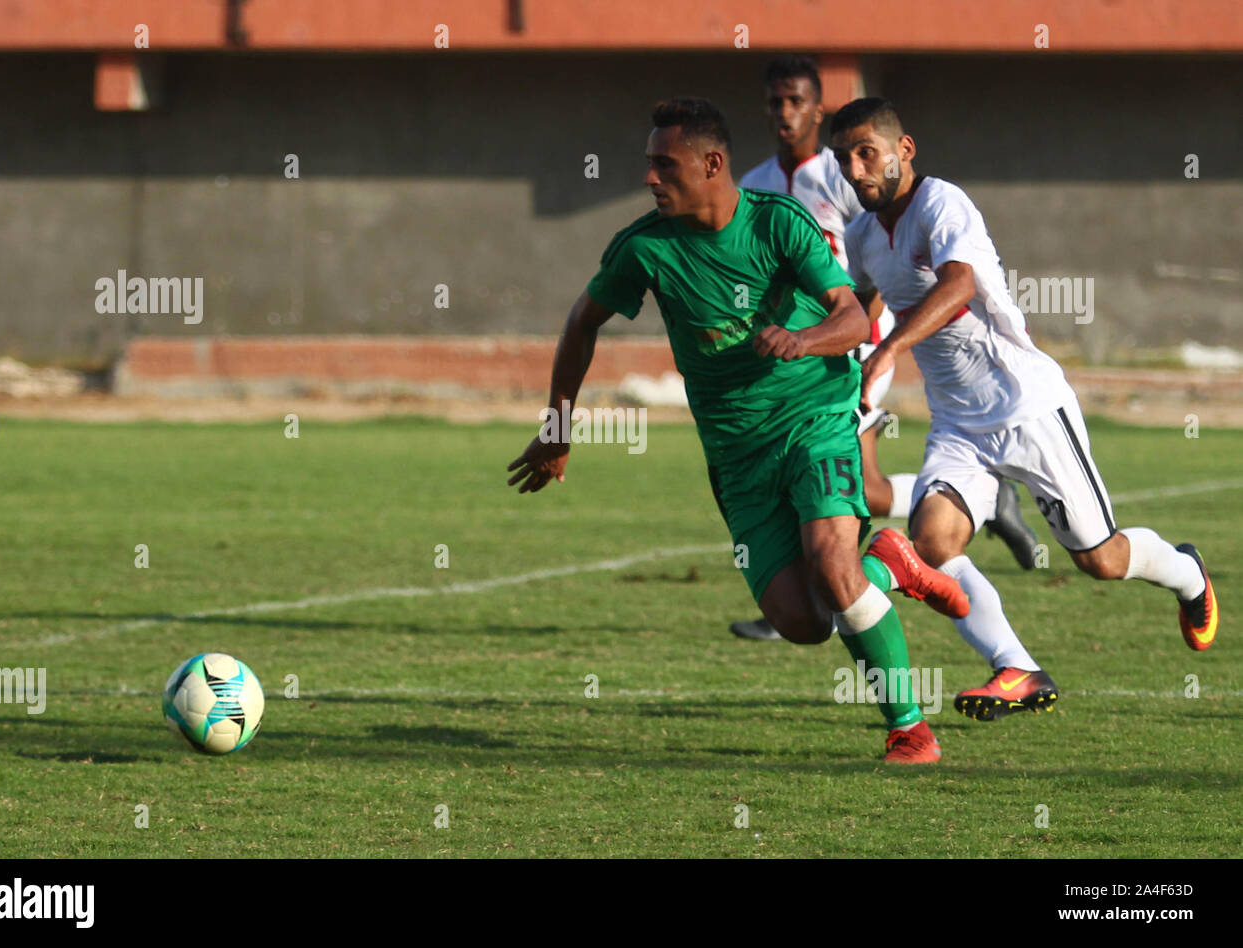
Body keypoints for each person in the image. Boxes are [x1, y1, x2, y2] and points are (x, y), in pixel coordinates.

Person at [508, 97, 970, 761]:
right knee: (805, 623)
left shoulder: (778, 224)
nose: (650, 179)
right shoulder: (644, 250)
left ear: (712, 164)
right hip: (736, 457)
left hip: (815, 419)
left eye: (665, 165)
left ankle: (909, 728)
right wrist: (557, 426)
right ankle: (889, 562)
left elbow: (851, 318)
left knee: (834, 568)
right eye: (649, 165)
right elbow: (584, 321)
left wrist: (803, 339)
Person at [828, 97, 1218, 720]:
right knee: (930, 542)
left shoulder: (942, 203)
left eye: (866, 153)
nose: (855, 170)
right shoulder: (862, 234)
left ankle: (1187, 575)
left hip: (1025, 407)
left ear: (904, 150)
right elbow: (857, 306)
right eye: (844, 158)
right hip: (957, 423)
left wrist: (890, 349)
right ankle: (1017, 669)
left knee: (1101, 560)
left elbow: (959, 284)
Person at [730, 55, 1036, 643]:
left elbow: (875, 256)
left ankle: (821, 596)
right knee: (863, 487)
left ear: (817, 110)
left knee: (819, 473)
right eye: (775, 102)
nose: (785, 113)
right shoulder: (756, 186)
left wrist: (877, 342)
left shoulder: (847, 171)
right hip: (800, 354)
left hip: (855, 346)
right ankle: (987, 503)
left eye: (796, 101)